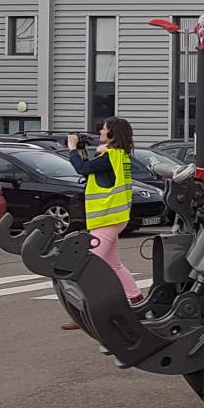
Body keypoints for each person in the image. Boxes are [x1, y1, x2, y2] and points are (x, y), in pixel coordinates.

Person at [67, 117, 142, 304]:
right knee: (113, 264)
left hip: (106, 218)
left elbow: (82, 168)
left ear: (111, 134)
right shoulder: (120, 156)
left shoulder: (109, 157)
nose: (100, 131)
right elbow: (93, 170)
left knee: (89, 266)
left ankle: (86, 308)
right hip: (116, 217)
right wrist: (82, 150)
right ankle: (136, 298)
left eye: (103, 128)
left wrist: (72, 149)